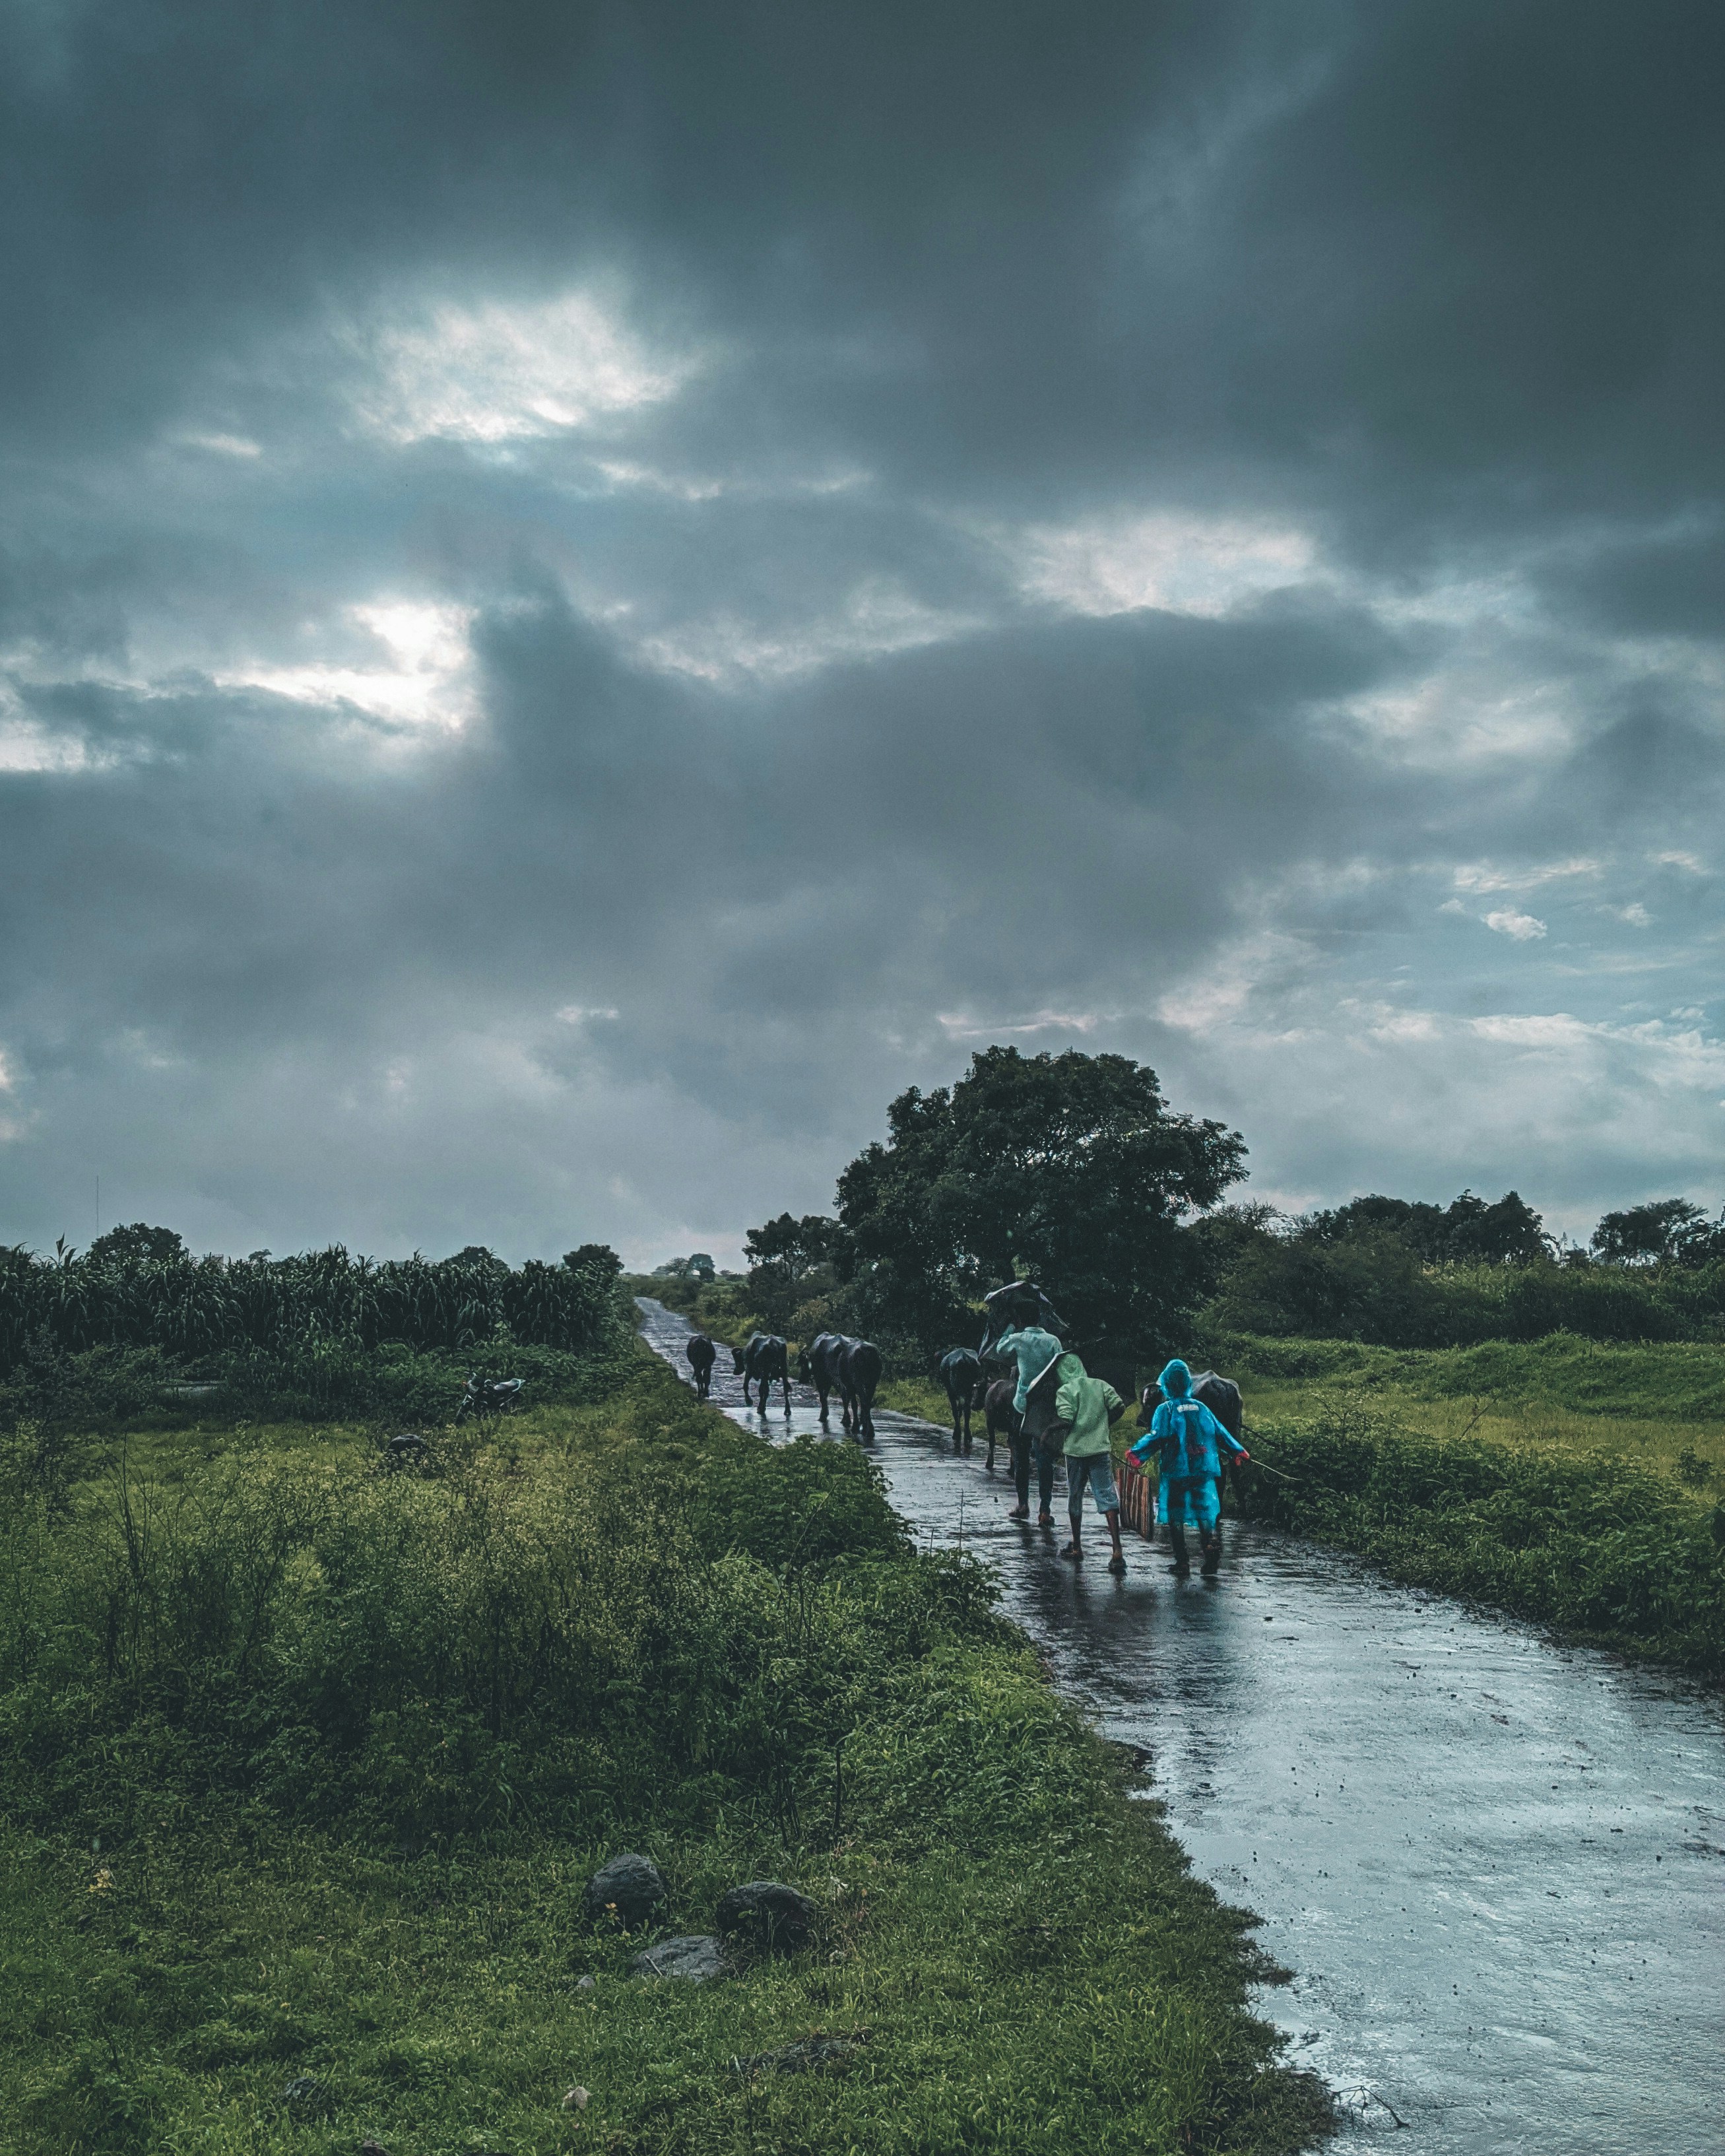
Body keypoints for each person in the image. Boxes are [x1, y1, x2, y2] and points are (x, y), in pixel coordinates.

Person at [1130, 1358, 1249, 1577]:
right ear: (1187, 1383)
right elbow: (1220, 1431)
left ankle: (1182, 1562)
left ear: (1166, 1385)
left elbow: (1156, 1436)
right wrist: (1237, 1450)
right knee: (1205, 1512)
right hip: (1203, 1469)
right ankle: (1211, 1547)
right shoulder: (1202, 1407)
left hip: (1177, 1469)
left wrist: (1137, 1453)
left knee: (1175, 1514)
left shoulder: (1164, 1410)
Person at [985, 1299, 1064, 1523]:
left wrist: (1010, 1327)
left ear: (1020, 1319)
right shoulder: (1053, 1341)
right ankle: (1045, 1510)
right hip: (1046, 1407)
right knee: (1044, 1459)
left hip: (1022, 1405)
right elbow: (1059, 1368)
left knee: (1020, 1456)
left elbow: (1000, 1349)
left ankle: (1023, 1505)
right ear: (1040, 1318)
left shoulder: (1018, 1339)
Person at [1051, 1352, 1128, 1573]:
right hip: (1100, 1450)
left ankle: (1077, 1546)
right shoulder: (1101, 1385)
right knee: (1106, 1496)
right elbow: (1119, 1406)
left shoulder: (1065, 1391)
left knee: (1075, 1496)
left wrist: (1049, 1431)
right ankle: (1117, 1550)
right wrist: (1105, 1424)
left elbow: (1066, 1418)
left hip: (1075, 1453)